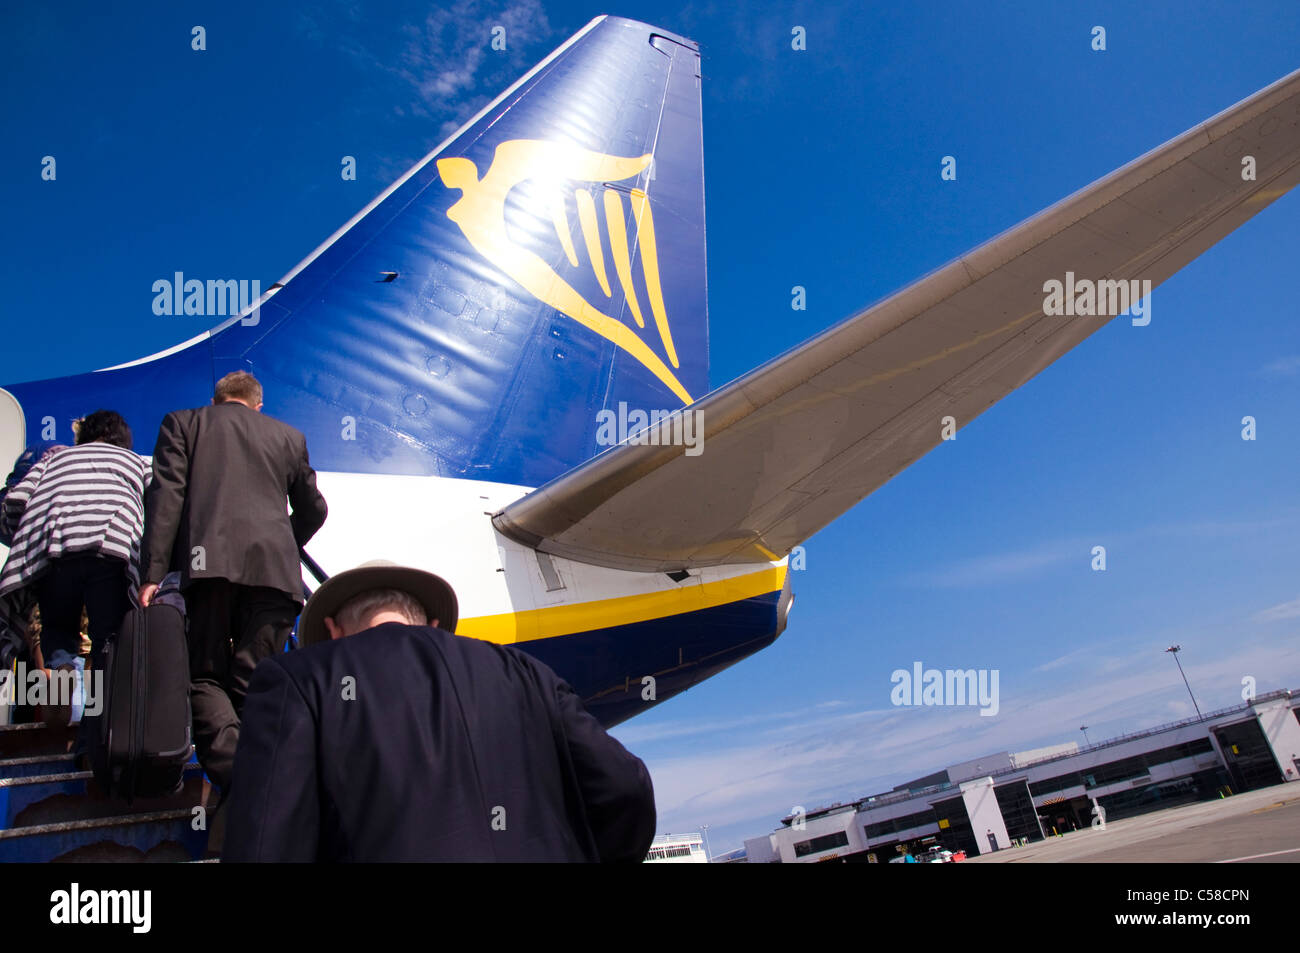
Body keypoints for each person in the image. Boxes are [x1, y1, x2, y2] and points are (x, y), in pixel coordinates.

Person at [222, 561, 657, 862]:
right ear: (432, 622)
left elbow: (265, 844)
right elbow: (626, 786)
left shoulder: (296, 678)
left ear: (333, 630)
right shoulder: (526, 671)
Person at [139, 370, 327, 794]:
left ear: (218, 399)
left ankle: (246, 785)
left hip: (208, 570)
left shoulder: (184, 423)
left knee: (205, 678)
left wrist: (152, 574)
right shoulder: (289, 437)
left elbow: (166, 498)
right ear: (258, 404)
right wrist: (281, 544)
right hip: (275, 577)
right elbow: (315, 509)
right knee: (258, 682)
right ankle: (275, 786)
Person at [0, 412, 146, 669]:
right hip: (110, 553)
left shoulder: (54, 459)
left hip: (56, 555)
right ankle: (102, 706)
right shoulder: (136, 462)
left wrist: (20, 540)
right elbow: (162, 503)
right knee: (107, 644)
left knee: (57, 645)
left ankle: (58, 704)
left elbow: (17, 500)